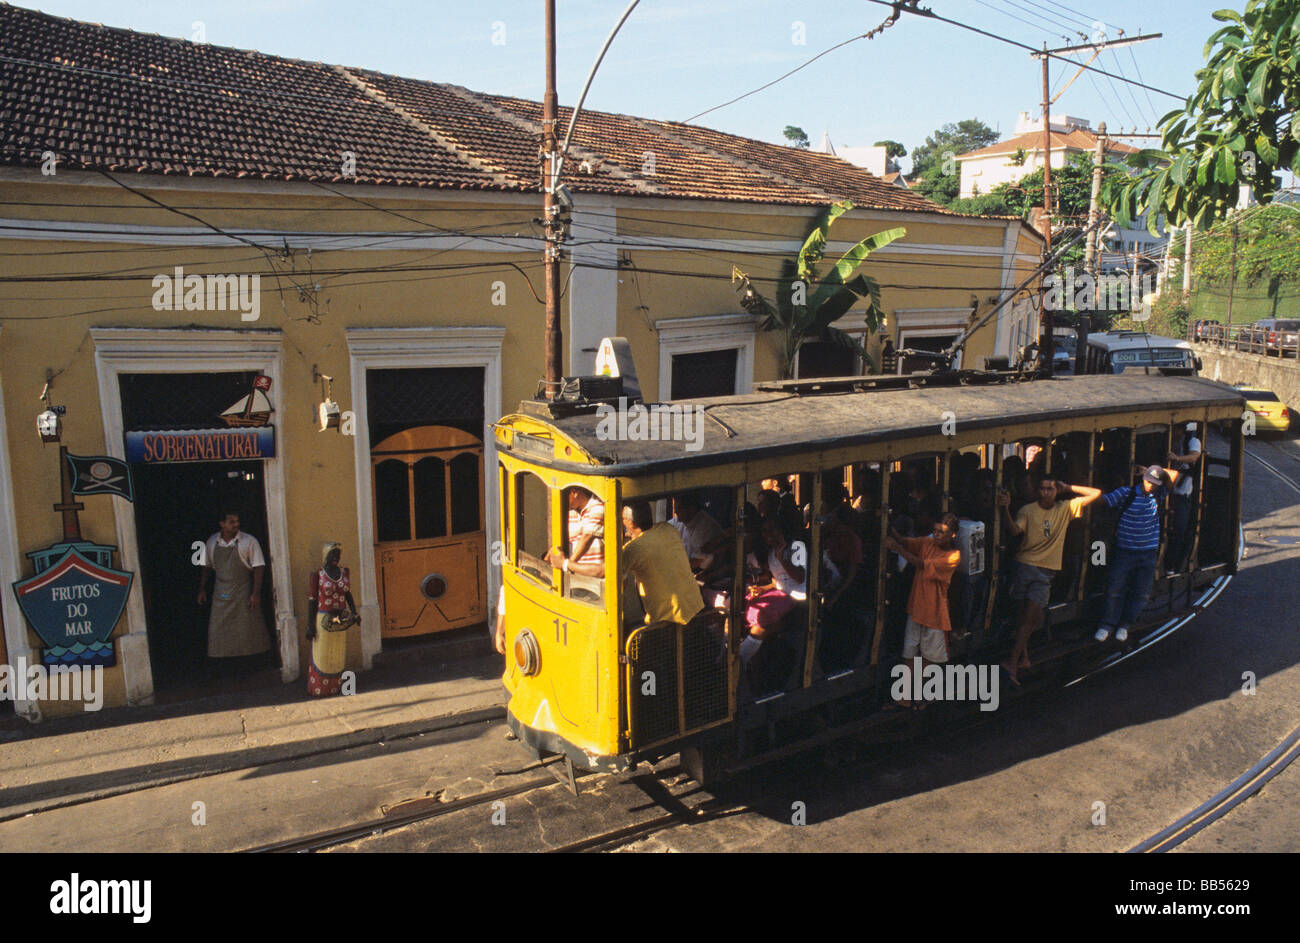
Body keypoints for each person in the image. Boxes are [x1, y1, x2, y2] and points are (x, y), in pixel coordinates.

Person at [998, 478, 1103, 685]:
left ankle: (1012, 664)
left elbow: (1096, 493)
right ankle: (1023, 659)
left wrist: (1069, 487)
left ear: (1056, 491)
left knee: (1030, 618)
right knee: (1023, 618)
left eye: (1050, 489)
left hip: (1045, 573)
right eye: (1043, 488)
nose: (1046, 492)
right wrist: (1005, 510)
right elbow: (1014, 530)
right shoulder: (1027, 510)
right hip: (1025, 567)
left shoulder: (1065, 508)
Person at [884, 513, 962, 708]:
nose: (936, 535)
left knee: (929, 657)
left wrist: (897, 548)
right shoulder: (928, 543)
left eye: (941, 533)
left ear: (952, 535)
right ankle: (907, 695)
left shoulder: (953, 556)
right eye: (935, 531)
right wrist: (890, 528)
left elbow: (920, 563)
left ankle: (916, 693)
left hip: (934, 613)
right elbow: (906, 542)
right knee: (909, 653)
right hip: (916, 608)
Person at [1094, 464, 1179, 643]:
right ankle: (1107, 625)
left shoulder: (1158, 494)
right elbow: (1103, 501)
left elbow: (1174, 475)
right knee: (1115, 589)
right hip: (1125, 551)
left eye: (1155, 483)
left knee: (1141, 592)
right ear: (1143, 479)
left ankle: (1125, 624)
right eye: (1149, 482)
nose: (1151, 486)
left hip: (1148, 553)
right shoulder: (1126, 493)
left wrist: (1152, 470)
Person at [197, 510, 270, 666]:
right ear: (222, 524)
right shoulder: (211, 542)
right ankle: (223, 667)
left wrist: (255, 593)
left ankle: (249, 665)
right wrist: (202, 589)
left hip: (243, 592)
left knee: (246, 631)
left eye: (237, 521)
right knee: (218, 631)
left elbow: (259, 566)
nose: (236, 524)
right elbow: (206, 566)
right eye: (231, 522)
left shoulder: (249, 542)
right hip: (220, 593)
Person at [620, 502, 705, 626]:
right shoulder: (667, 529)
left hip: (667, 619)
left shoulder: (632, 549)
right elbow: (650, 542)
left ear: (630, 523)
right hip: (694, 606)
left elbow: (617, 579)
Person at [740, 517, 807, 663]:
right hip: (782, 594)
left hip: (799, 599)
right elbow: (778, 581)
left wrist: (782, 558)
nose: (768, 534)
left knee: (759, 627)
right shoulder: (771, 552)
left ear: (781, 530)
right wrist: (762, 589)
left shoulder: (797, 547)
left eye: (772, 529)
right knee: (741, 605)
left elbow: (799, 578)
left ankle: (738, 662)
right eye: (765, 531)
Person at [305, 542, 360, 696]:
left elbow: (348, 594)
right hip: (324, 619)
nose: (335, 558)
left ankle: (337, 686)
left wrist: (354, 613)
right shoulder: (318, 575)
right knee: (323, 655)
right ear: (326, 556)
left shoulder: (344, 572)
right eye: (332, 555)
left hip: (340, 619)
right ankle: (320, 688)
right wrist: (310, 625)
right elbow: (312, 601)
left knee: (337, 654)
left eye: (338, 555)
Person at [1165, 424, 1202, 573]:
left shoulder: (1192, 442)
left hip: (1182, 495)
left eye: (1177, 430)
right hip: (1166, 493)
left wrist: (1177, 458)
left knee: (1179, 530)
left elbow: (1194, 456)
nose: (1175, 433)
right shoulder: (1169, 441)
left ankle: (1173, 565)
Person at [547, 487, 605, 578]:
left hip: (595, 580)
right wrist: (547, 562)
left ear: (574, 493)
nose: (562, 500)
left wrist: (565, 565)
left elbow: (587, 537)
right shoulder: (570, 512)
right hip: (576, 578)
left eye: (564, 496)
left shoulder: (599, 507)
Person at [669, 492, 726, 571]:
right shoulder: (678, 522)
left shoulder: (706, 527)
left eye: (679, 506)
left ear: (691, 508)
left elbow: (694, 563)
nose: (675, 510)